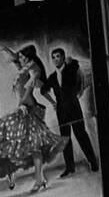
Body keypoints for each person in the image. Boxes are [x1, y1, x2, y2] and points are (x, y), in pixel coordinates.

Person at [0, 44, 65, 194]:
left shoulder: (33, 69)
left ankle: (39, 180)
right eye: (20, 57)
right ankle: (41, 179)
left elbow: (29, 89)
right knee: (31, 147)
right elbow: (14, 58)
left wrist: (21, 105)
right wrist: (4, 48)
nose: (19, 59)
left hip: (28, 108)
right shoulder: (25, 66)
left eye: (22, 57)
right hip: (24, 107)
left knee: (35, 147)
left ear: (28, 58)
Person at [41, 47, 98, 178]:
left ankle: (93, 162)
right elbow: (43, 90)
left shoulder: (70, 70)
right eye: (53, 57)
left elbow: (76, 65)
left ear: (63, 57)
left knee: (81, 134)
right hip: (61, 111)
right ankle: (70, 168)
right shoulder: (53, 77)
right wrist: (53, 102)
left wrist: (70, 61)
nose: (55, 59)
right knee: (65, 139)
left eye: (58, 56)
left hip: (74, 108)